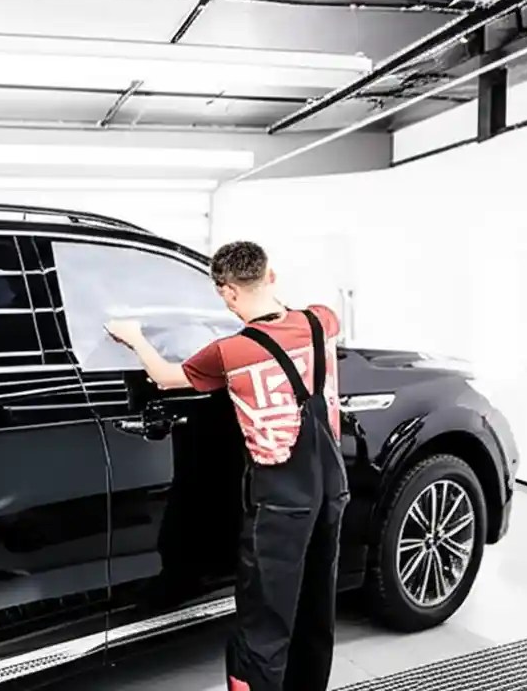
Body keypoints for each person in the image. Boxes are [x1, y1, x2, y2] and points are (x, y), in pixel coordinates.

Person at [105, 240, 348, 691]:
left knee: (264, 619)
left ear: (227, 293)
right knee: (316, 605)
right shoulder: (321, 321)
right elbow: (321, 311)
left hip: (279, 502)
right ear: (270, 276)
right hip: (331, 489)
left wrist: (134, 336)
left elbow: (164, 377)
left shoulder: (230, 353)